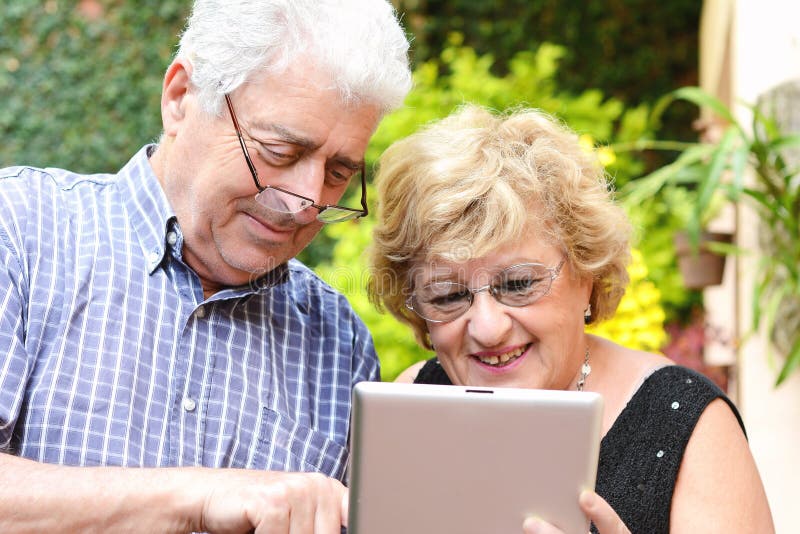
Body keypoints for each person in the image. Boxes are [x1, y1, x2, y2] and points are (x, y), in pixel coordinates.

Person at [0, 1, 411, 532]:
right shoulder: (21, 230)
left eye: (337, 172)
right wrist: (201, 494)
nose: (306, 201)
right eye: (280, 151)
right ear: (180, 99)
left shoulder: (340, 343)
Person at [366, 104, 774, 533]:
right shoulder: (413, 404)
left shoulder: (687, 425)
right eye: (448, 295)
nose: (488, 328)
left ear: (587, 274)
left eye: (519, 284)